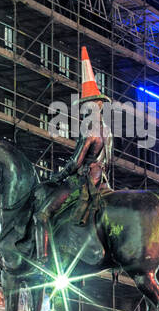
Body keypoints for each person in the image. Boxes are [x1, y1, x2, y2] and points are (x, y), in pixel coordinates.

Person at [35, 46, 112, 263]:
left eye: (85, 105)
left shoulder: (89, 128)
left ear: (91, 105)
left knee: (42, 214)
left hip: (83, 181)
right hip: (101, 180)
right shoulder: (107, 130)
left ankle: (43, 257)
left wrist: (56, 177)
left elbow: (75, 163)